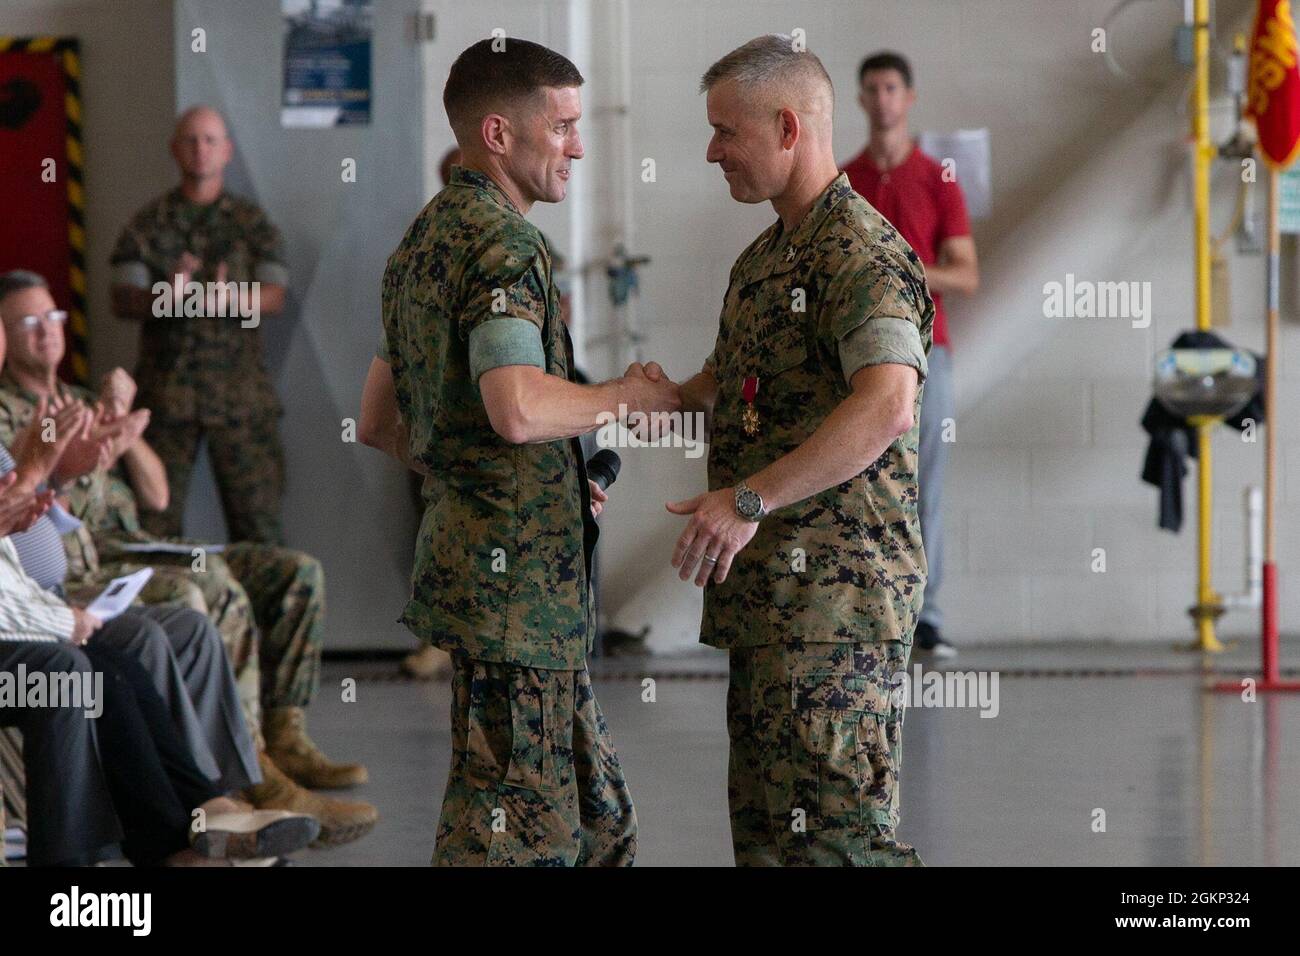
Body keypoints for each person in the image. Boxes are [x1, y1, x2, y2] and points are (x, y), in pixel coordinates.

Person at [362, 37, 677, 865]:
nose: (577, 143)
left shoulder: (421, 244)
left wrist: (540, 478)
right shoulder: (506, 247)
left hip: (495, 576)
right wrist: (623, 400)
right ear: (499, 134)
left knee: (597, 821)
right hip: (517, 598)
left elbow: (379, 421)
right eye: (564, 125)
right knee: (516, 830)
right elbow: (515, 406)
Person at [663, 34, 932, 866]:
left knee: (841, 844)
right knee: (773, 842)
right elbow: (732, 384)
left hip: (837, 612)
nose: (713, 152)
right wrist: (653, 398)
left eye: (725, 132)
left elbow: (886, 404)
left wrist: (748, 501)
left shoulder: (861, 254)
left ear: (787, 127)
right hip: (771, 608)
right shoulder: (765, 259)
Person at [0, 270, 376, 846]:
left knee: (286, 573)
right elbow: (33, 528)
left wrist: (122, 432)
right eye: (27, 323)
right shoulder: (11, 415)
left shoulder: (76, 400)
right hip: (82, 566)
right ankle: (239, 786)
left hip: (124, 545)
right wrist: (53, 466)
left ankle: (272, 752)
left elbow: (156, 495)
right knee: (186, 600)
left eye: (51, 318)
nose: (46, 333)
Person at [0, 481, 317, 866]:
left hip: (34, 610)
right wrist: (62, 621)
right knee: (70, 673)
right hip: (24, 634)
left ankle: (210, 805)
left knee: (120, 663)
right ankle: (169, 846)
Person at [841, 51, 979, 659]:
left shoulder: (938, 178)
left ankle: (929, 615)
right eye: (871, 88)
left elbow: (966, 273)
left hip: (930, 353)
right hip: (863, 356)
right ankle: (872, 609)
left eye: (891, 87)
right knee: (860, 476)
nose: (882, 99)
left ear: (909, 96)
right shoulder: (846, 179)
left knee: (927, 483)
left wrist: (905, 270)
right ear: (861, 98)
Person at [108, 105, 288, 545]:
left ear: (226, 151)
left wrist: (232, 298)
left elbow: (275, 296)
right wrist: (166, 296)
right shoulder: (147, 225)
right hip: (166, 398)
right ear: (175, 150)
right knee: (154, 526)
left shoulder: (253, 224)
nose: (200, 150)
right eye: (190, 140)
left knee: (258, 528)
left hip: (240, 399)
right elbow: (123, 299)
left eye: (210, 140)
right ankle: (168, 614)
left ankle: (259, 614)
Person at [398, 146, 461, 682]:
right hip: (432, 411)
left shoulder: (516, 238)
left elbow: (558, 311)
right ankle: (436, 638)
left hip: (492, 415)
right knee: (433, 530)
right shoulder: (424, 240)